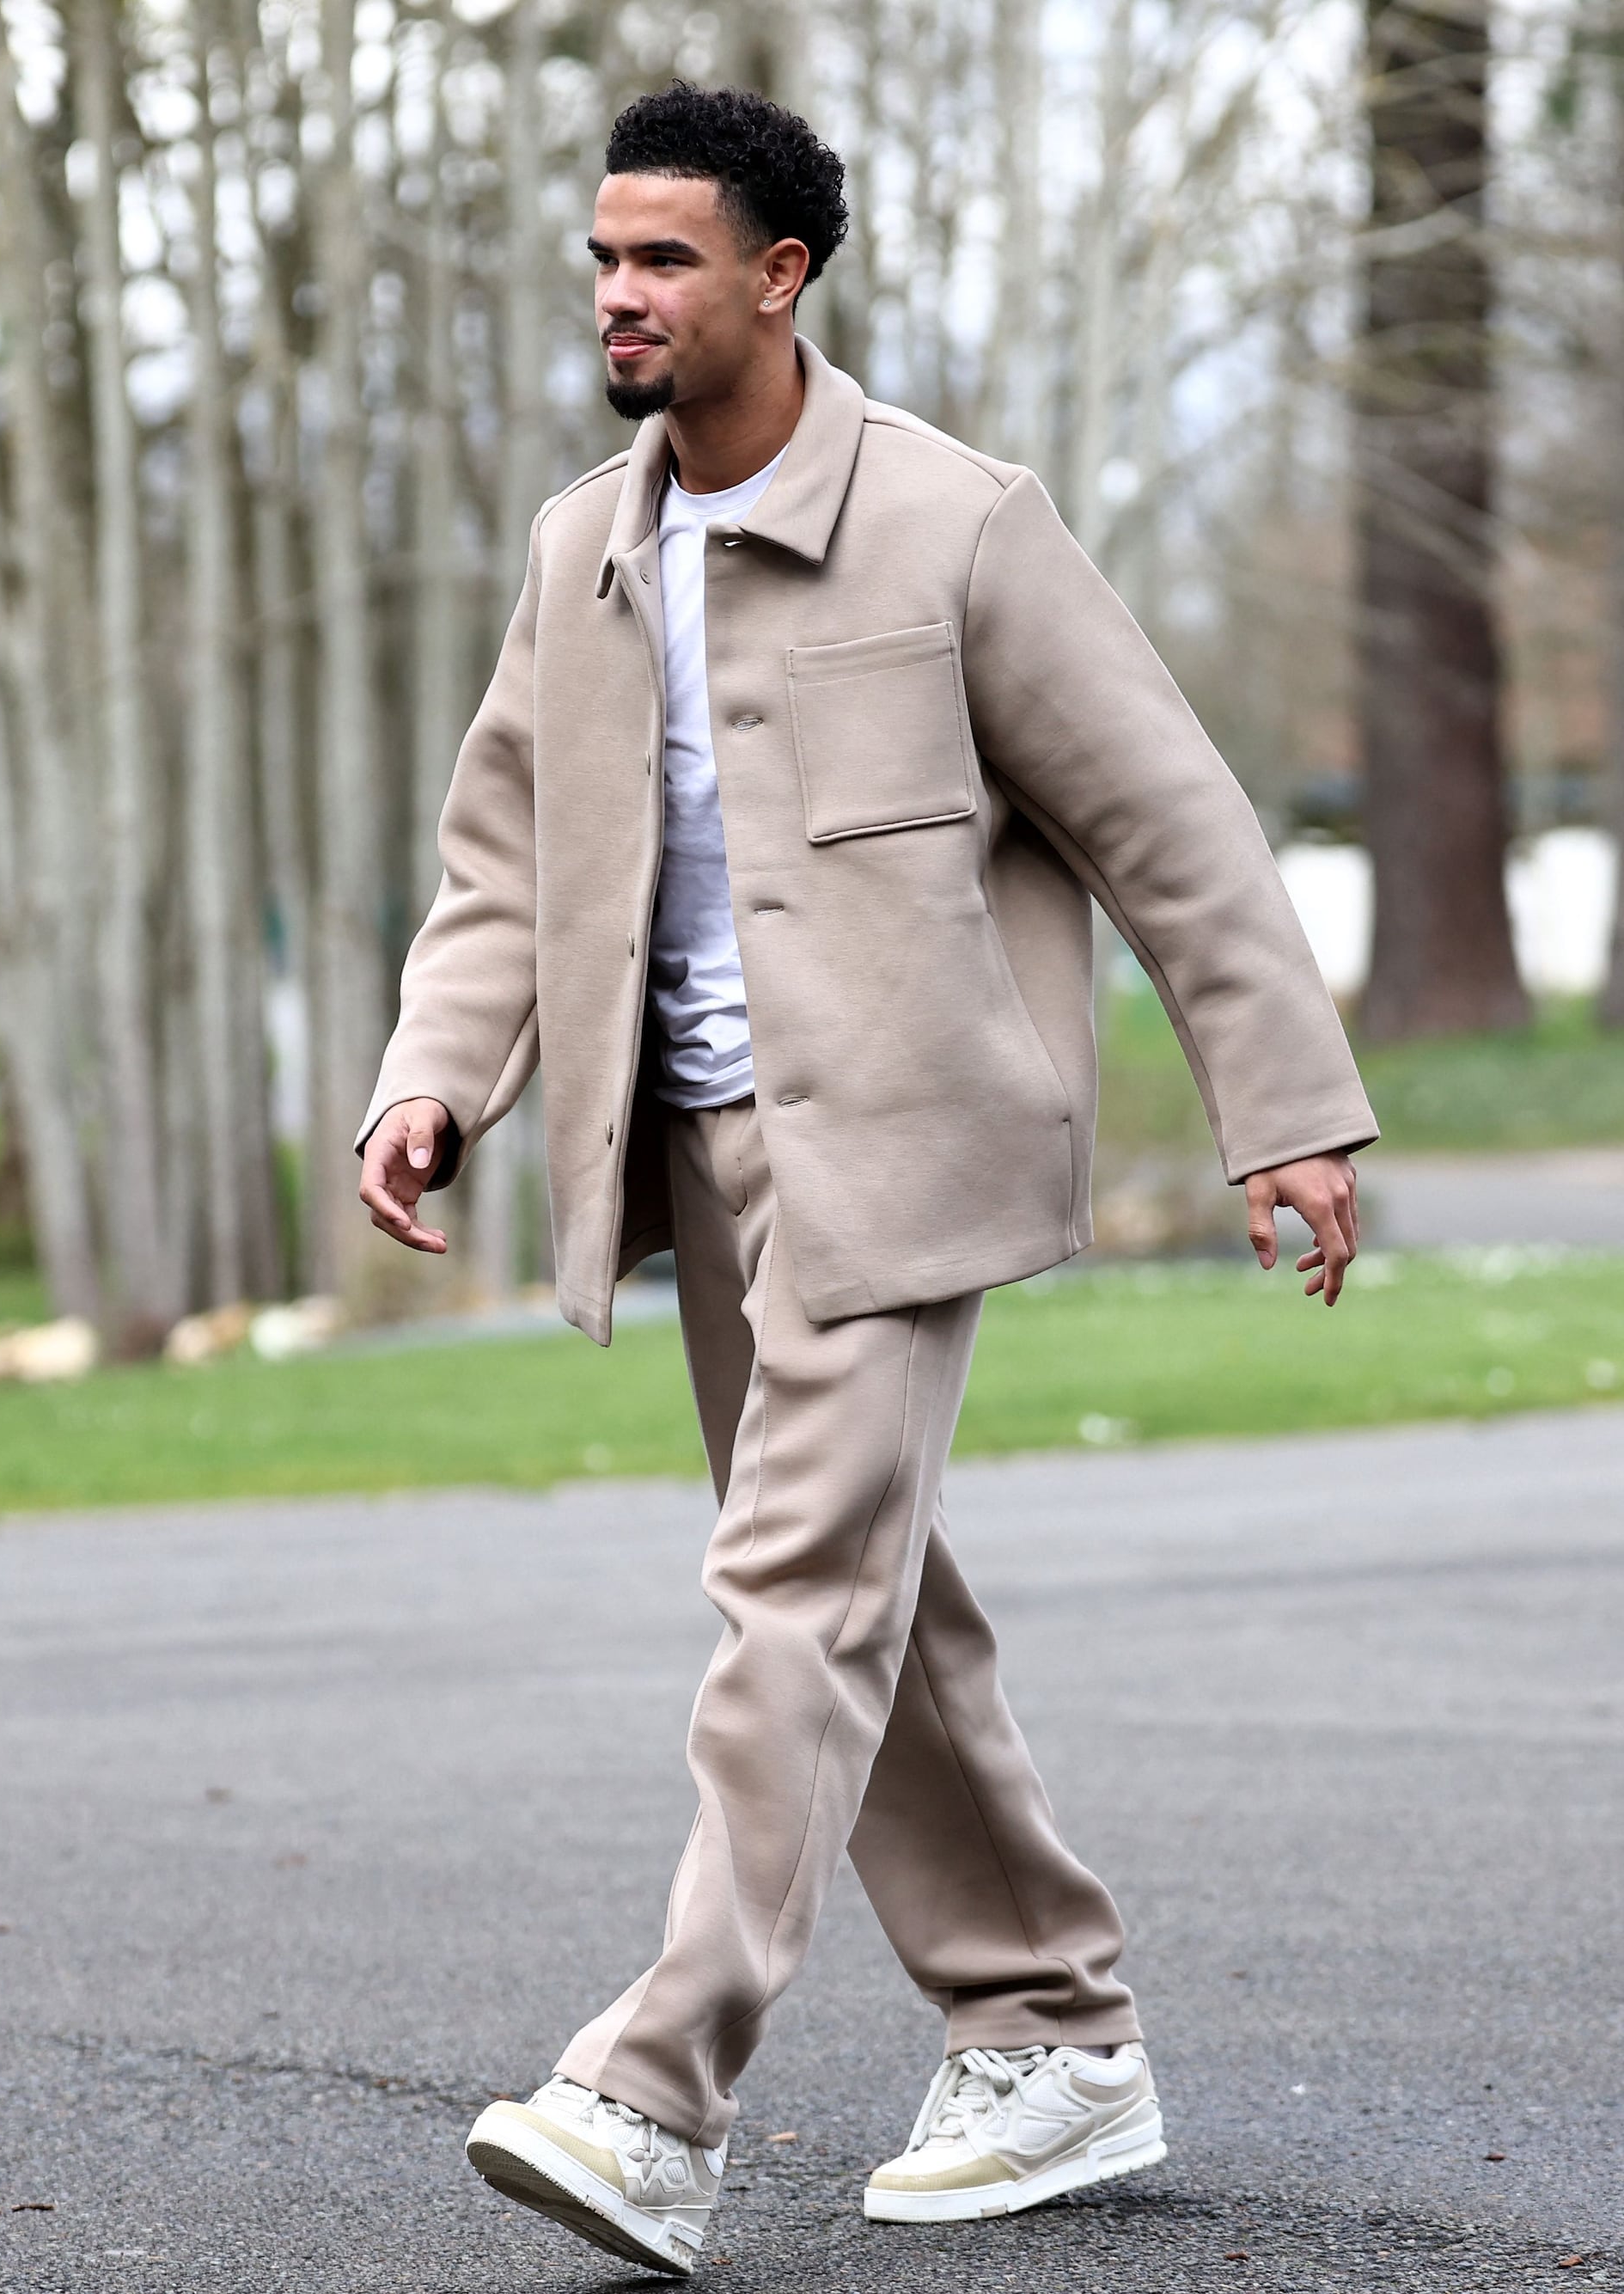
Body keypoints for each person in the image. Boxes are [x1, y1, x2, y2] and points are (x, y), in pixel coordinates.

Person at [357, 80, 1377, 2281]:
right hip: (703, 1146)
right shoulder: (585, 543)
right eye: (603, 259)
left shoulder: (955, 525)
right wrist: (439, 1075)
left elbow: (1172, 825)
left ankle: (654, 2090)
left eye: (662, 261)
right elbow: (500, 850)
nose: (618, 297)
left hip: (908, 1135)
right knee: (869, 1607)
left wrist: (1284, 1108)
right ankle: (1053, 2029)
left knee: (790, 1597)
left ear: (778, 276)